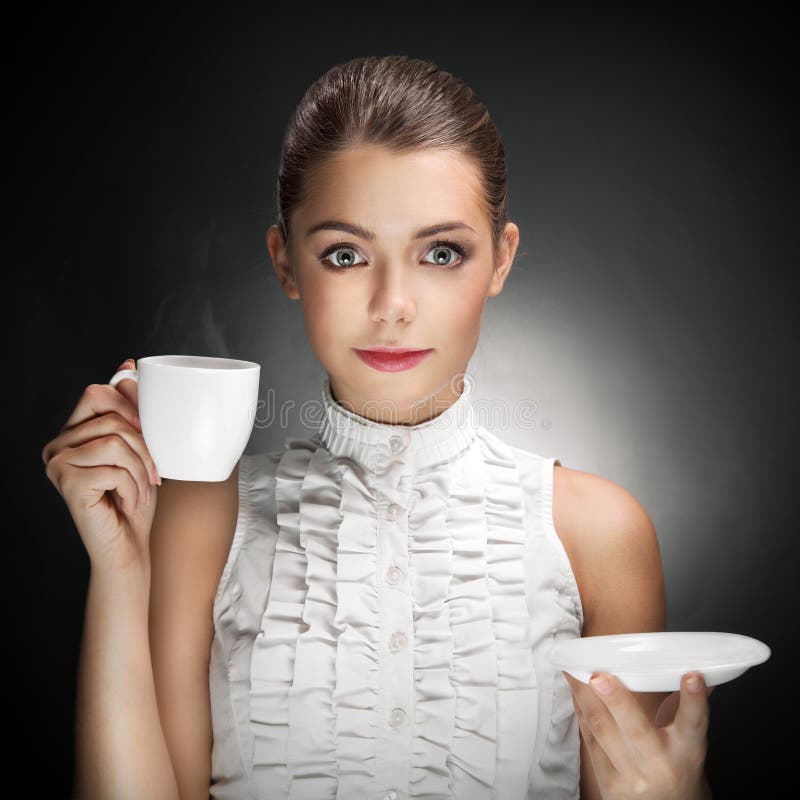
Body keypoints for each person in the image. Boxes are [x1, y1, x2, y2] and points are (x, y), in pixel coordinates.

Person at [42, 55, 714, 800]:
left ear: (501, 259)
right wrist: (119, 567)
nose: (393, 303)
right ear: (286, 262)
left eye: (440, 252)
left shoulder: (601, 535)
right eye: (345, 254)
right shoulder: (202, 518)